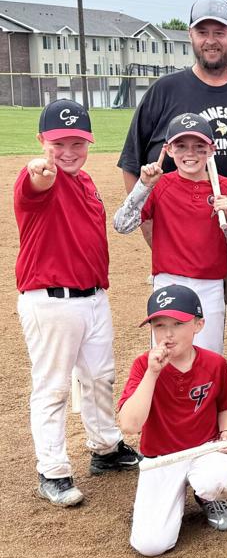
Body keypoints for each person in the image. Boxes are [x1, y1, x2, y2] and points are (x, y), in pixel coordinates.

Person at [118, 0, 227, 428]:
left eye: (219, 31)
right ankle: (175, 418)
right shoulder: (164, 91)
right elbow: (132, 163)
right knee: (177, 335)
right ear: (191, 36)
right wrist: (151, 225)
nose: (211, 40)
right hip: (181, 245)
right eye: (203, 31)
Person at [16, 100, 140, 507]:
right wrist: (39, 171)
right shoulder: (41, 178)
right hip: (53, 301)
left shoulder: (85, 181)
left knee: (99, 376)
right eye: (58, 144)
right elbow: (35, 181)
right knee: (53, 387)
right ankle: (52, 470)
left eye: (77, 143)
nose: (68, 152)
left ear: (89, 142)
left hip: (93, 298)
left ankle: (106, 448)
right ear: (42, 141)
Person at [117, 285, 227, 556]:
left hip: (204, 450)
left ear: (198, 324)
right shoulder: (143, 365)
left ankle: (206, 495)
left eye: (178, 324)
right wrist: (152, 373)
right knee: (150, 545)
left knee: (219, 479)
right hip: (161, 458)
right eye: (159, 325)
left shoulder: (215, 363)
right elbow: (129, 425)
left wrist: (226, 432)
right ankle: (170, 500)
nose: (168, 334)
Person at [113, 113, 227, 354]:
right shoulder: (159, 185)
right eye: (181, 146)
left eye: (199, 146)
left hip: (210, 284)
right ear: (168, 150)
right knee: (167, 354)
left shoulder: (226, 187)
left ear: (211, 149)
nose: (190, 153)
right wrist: (144, 186)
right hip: (168, 281)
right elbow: (122, 224)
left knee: (208, 355)